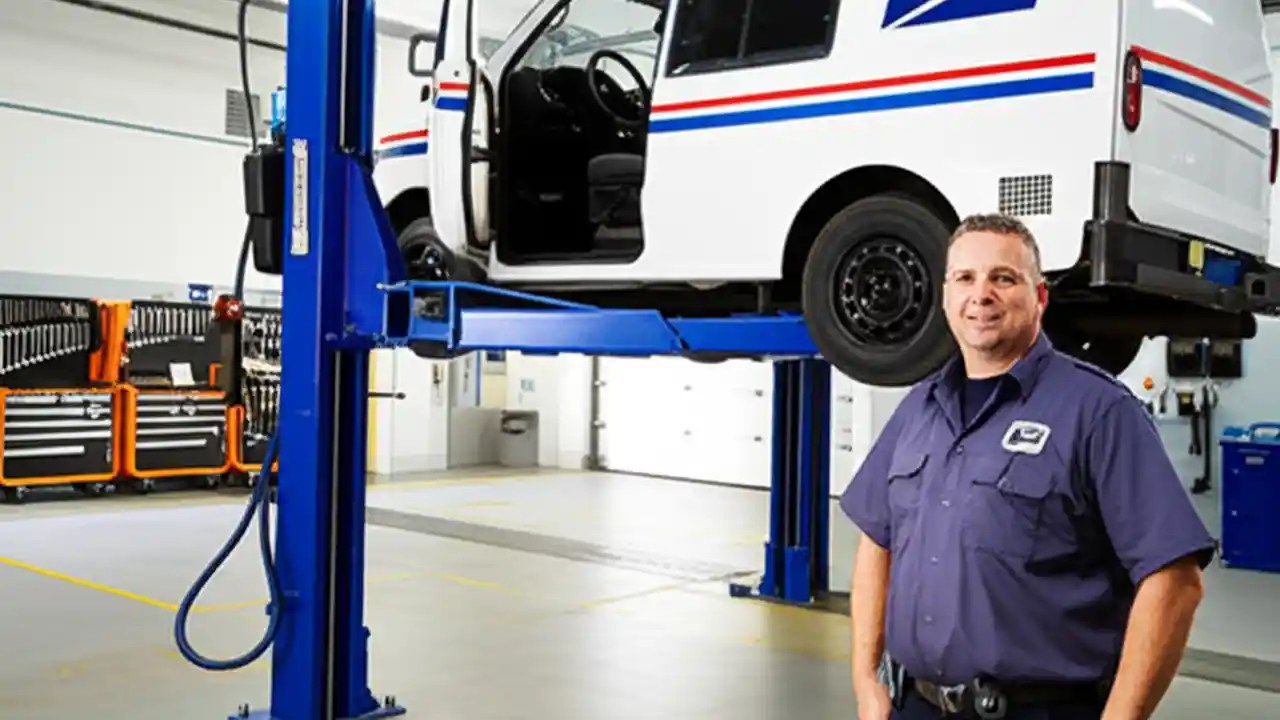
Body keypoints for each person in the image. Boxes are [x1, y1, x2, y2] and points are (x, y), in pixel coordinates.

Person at [841, 213, 1215, 720]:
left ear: (1039, 298)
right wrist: (867, 681)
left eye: (1003, 278)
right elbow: (877, 540)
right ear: (946, 294)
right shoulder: (919, 407)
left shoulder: (1097, 411)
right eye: (965, 278)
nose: (981, 294)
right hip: (916, 705)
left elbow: (1175, 581)